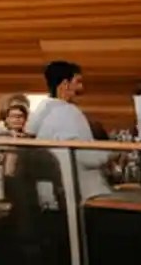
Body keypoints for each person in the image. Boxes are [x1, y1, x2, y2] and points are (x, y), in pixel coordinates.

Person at [26, 60, 112, 201]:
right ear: (65, 84)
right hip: (78, 193)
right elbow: (85, 156)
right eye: (78, 82)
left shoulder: (40, 114)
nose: (81, 87)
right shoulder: (68, 113)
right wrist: (111, 154)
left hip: (51, 192)